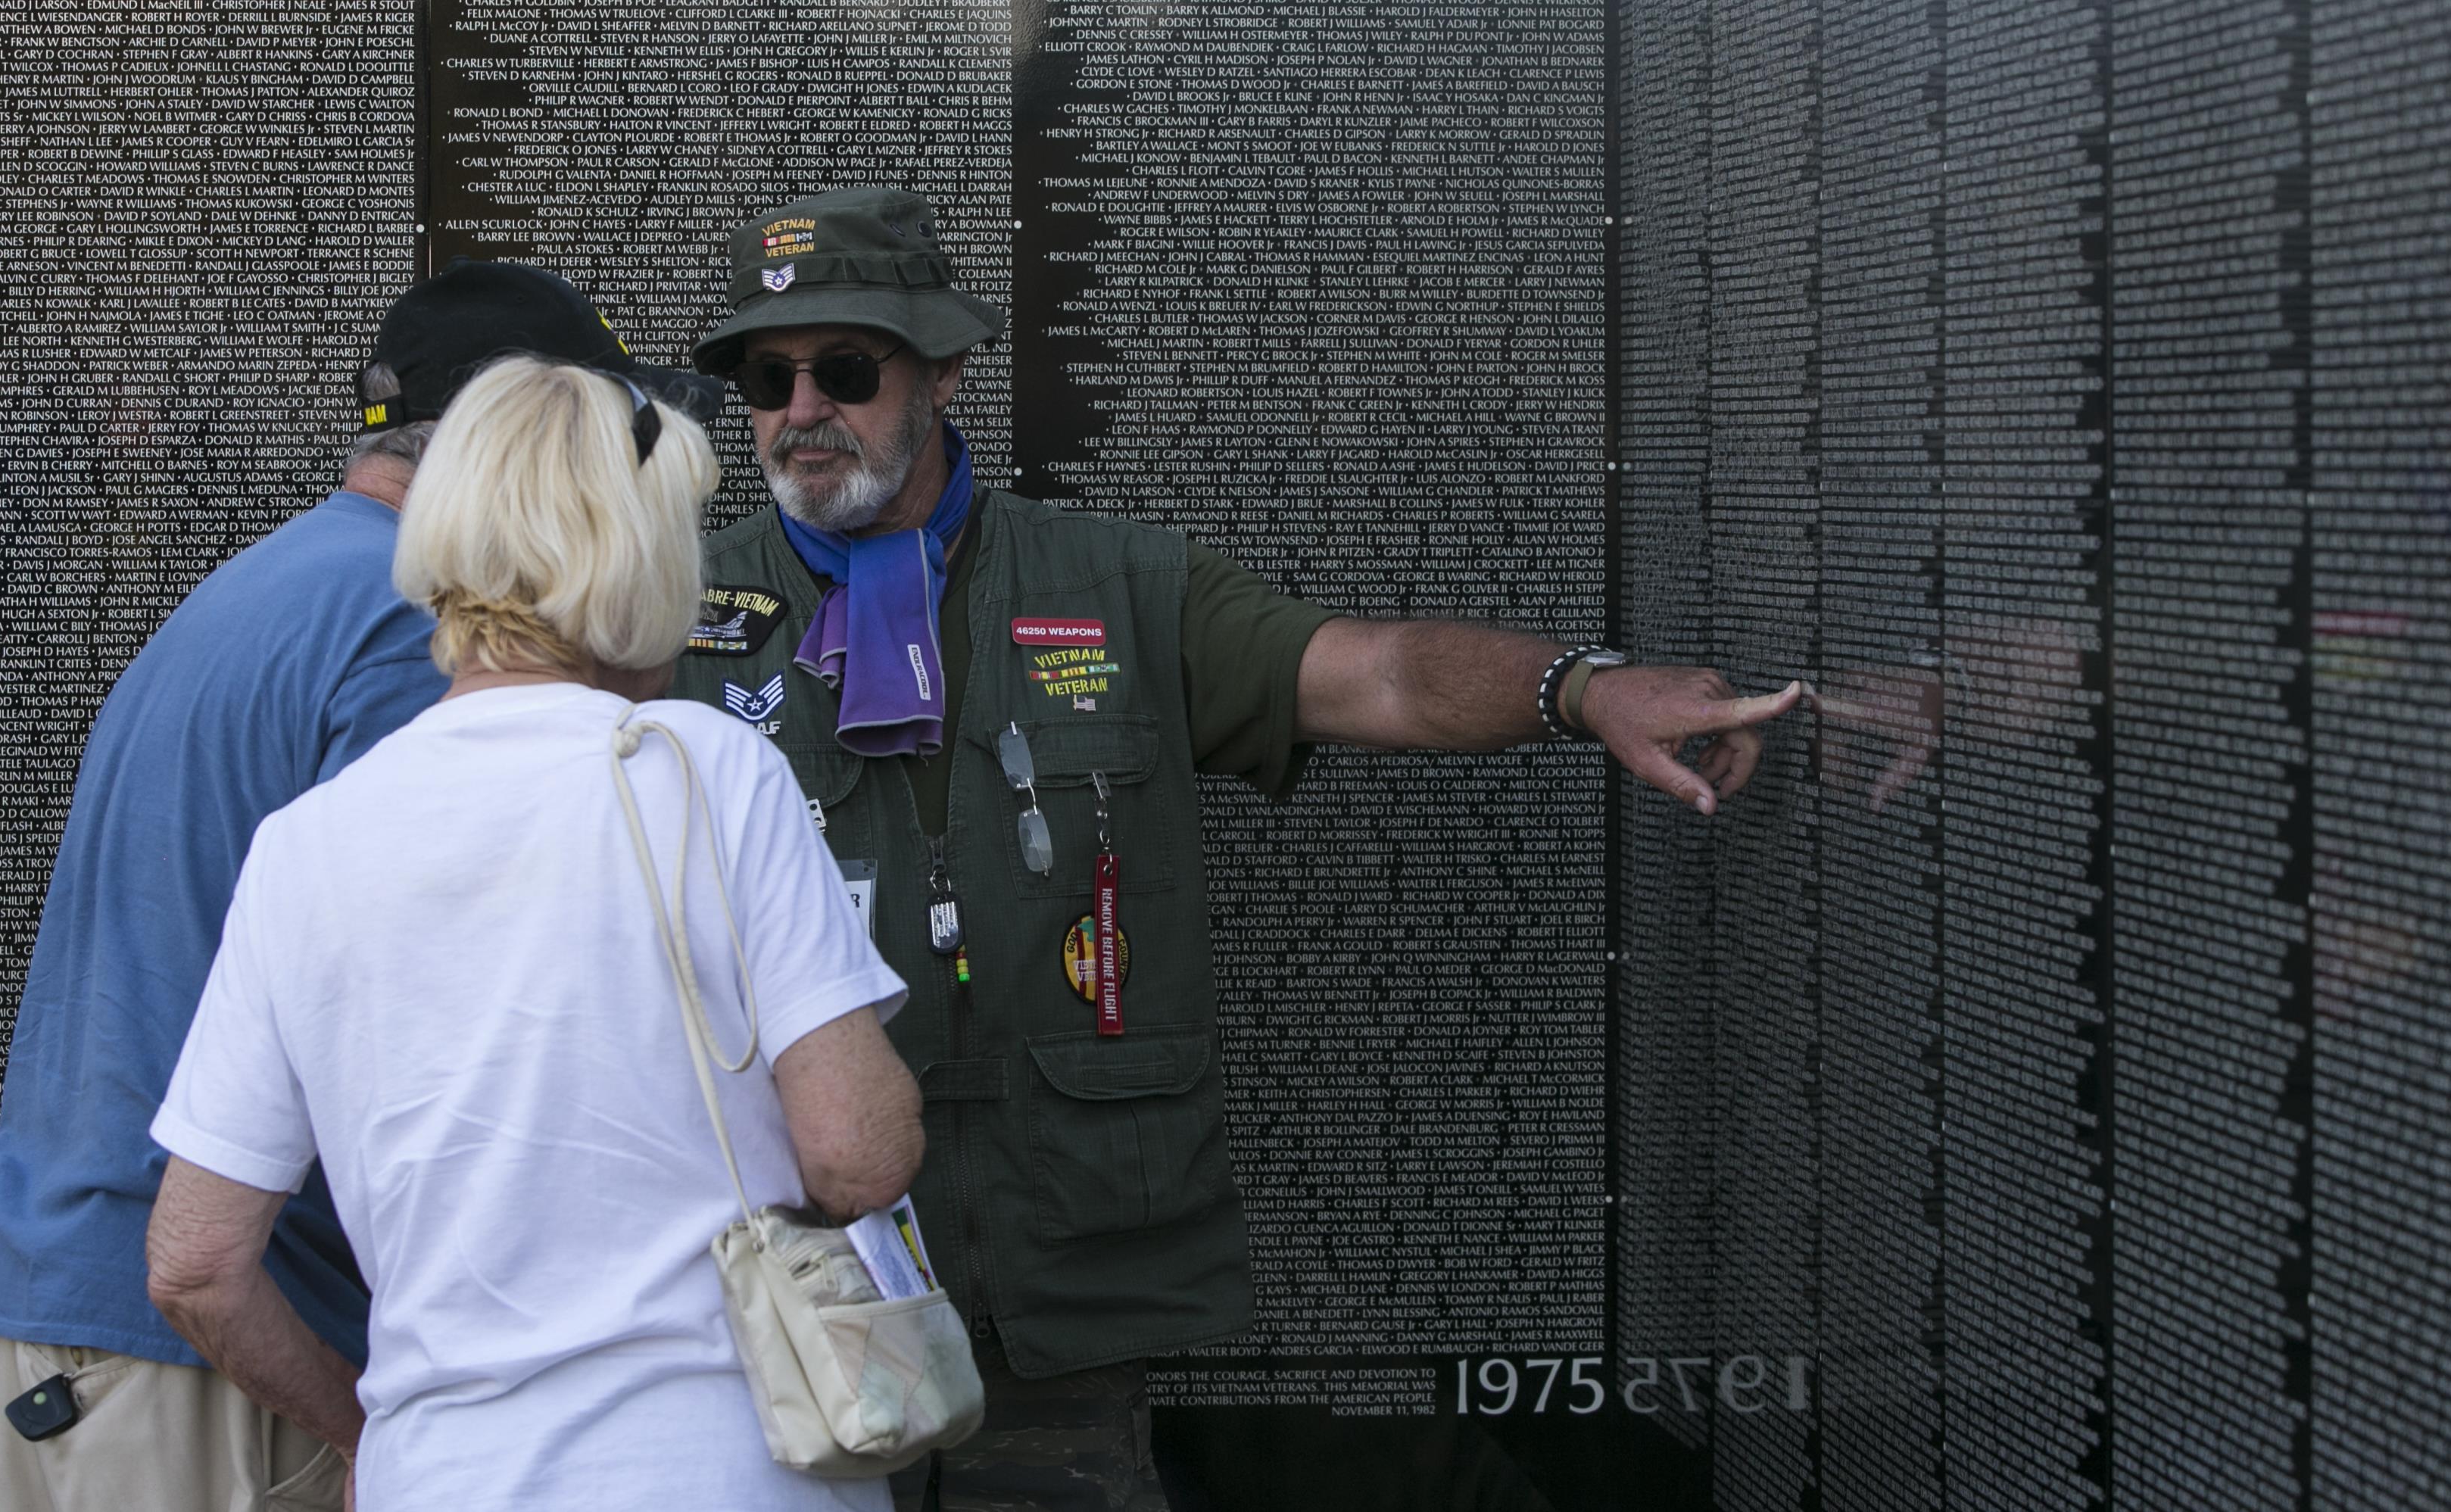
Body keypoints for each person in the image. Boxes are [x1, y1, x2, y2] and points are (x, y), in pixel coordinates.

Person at [669, 185, 1804, 1511]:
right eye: (763, 375)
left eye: (844, 369)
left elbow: (1372, 673)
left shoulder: (1115, 584)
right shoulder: (667, 617)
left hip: (1059, 1285)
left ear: (944, 368)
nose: (799, 410)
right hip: (788, 1290)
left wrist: (1584, 687)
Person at [0, 262, 722, 1510]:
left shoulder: (277, 580)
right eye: (601, 441)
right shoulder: (412, 627)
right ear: (509, 443)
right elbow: (479, 1047)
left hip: (91, 1346)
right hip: (220, 1358)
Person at [141, 355, 920, 1509]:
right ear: (641, 554)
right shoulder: (705, 770)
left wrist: (360, 1422)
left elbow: (195, 1263)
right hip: (725, 1470)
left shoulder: (307, 841)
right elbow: (856, 1152)